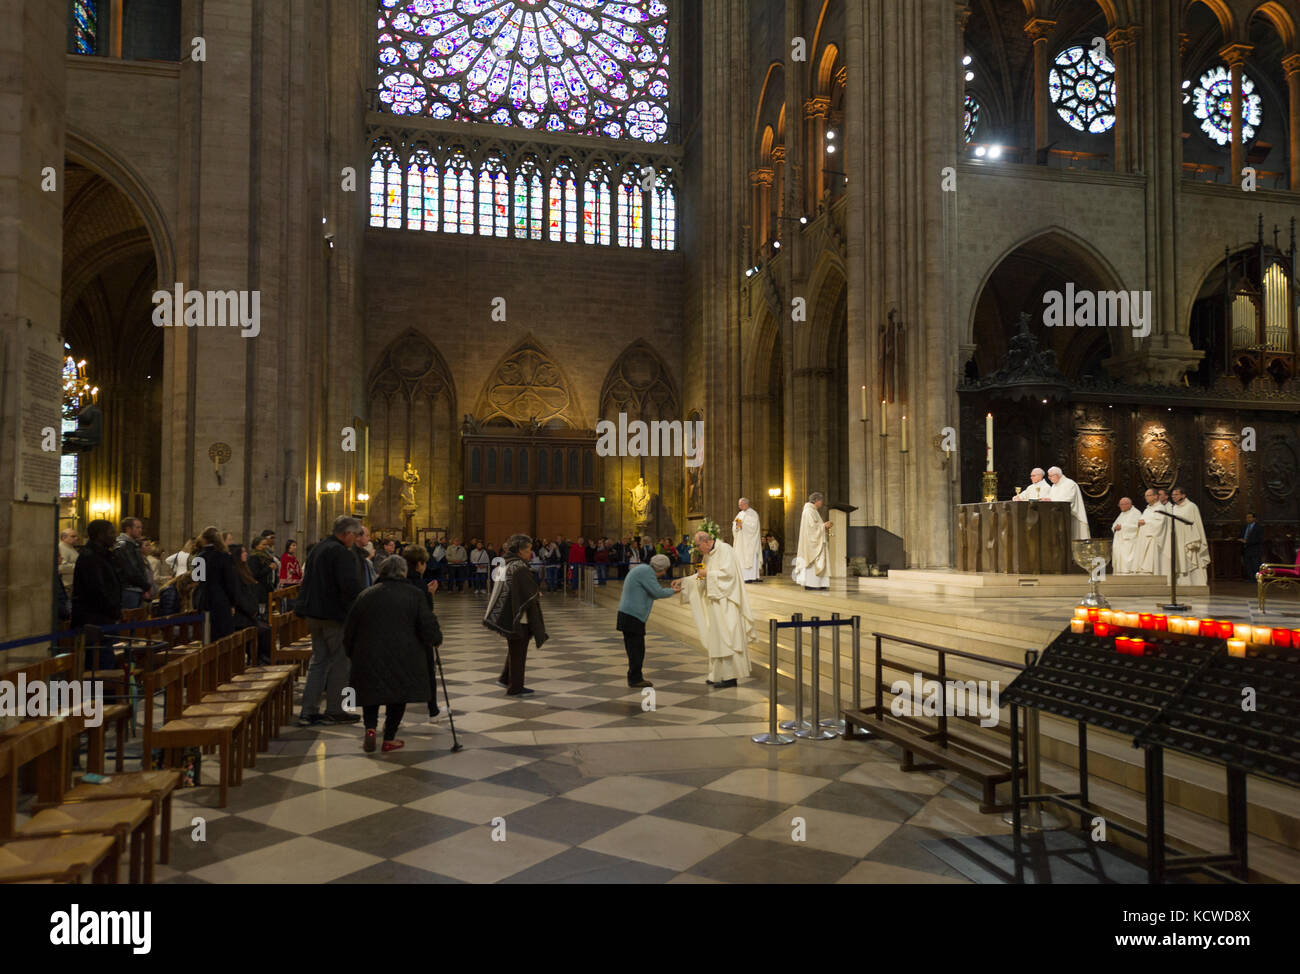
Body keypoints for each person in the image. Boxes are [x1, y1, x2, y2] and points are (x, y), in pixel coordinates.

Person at [344, 555, 443, 753]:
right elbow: (427, 623)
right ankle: (389, 738)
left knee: (371, 692)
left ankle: (370, 729)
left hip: (369, 653)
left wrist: (351, 652)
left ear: (381, 572)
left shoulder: (366, 594)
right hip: (405, 655)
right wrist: (435, 638)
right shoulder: (414, 594)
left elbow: (350, 629)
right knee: (398, 695)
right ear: (403, 572)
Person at [295, 515, 365, 726]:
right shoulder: (340, 552)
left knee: (319, 661)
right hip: (333, 616)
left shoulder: (319, 547)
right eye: (355, 535)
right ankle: (335, 710)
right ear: (347, 534)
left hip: (313, 615)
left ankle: (308, 711)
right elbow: (348, 586)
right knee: (340, 662)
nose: (355, 539)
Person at [680, 530, 754, 688]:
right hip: (716, 603)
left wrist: (707, 573)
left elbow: (729, 575)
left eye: (699, 546)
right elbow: (702, 576)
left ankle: (730, 677)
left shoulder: (725, 550)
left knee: (728, 638)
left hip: (727, 603)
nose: (698, 549)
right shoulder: (708, 555)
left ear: (707, 542)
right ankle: (716, 674)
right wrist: (684, 581)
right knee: (717, 639)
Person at [484, 534, 548, 696]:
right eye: (528, 551)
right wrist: (536, 592)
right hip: (519, 616)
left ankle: (505, 679)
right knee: (519, 651)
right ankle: (515, 688)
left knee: (514, 649)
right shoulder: (519, 567)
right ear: (520, 550)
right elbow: (528, 591)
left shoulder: (503, 562)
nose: (530, 554)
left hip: (506, 612)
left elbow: (501, 587)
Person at [616, 554, 680, 688]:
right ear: (661, 568)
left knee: (634, 648)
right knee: (636, 649)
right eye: (664, 570)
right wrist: (673, 591)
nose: (664, 573)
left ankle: (634, 676)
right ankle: (635, 679)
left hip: (627, 614)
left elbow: (651, 592)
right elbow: (657, 592)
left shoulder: (643, 569)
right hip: (632, 616)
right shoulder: (646, 572)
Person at [401, 544, 445, 725]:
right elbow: (427, 613)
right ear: (419, 564)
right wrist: (430, 594)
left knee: (400, 675)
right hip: (419, 638)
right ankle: (433, 710)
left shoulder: (400, 582)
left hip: (400, 637)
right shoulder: (420, 586)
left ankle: (396, 716)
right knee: (428, 674)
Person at [72, 519, 123, 670]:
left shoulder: (104, 555)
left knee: (108, 657)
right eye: (111, 533)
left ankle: (106, 690)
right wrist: (113, 609)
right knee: (98, 663)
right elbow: (97, 589)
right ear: (100, 535)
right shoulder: (90, 557)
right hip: (95, 619)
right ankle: (97, 693)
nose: (115, 536)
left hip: (105, 617)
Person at [193, 526, 241, 638]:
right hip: (221, 600)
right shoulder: (224, 556)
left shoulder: (199, 557)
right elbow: (230, 582)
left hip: (203, 600)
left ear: (203, 539)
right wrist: (233, 602)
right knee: (222, 636)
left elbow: (196, 581)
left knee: (206, 635)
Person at [229, 544, 272, 665]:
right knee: (263, 630)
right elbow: (239, 597)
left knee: (267, 628)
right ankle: (260, 658)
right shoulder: (235, 572)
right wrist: (251, 611)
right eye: (243, 552)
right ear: (237, 555)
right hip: (240, 616)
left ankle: (264, 657)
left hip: (248, 614)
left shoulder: (244, 570)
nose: (246, 554)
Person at [1170, 486, 1210, 586]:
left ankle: (1196, 583)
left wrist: (1193, 540)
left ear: (1183, 495)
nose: (1173, 497)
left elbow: (1195, 523)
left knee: (1191, 559)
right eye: (1172, 495)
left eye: (1176, 494)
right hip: (1178, 538)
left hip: (1189, 539)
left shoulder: (1191, 506)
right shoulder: (1174, 508)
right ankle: (1182, 582)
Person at [793, 491, 831, 590]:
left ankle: (820, 584)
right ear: (817, 501)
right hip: (812, 543)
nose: (822, 503)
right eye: (821, 500)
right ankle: (812, 584)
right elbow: (811, 528)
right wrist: (823, 526)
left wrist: (822, 526)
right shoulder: (809, 511)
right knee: (812, 563)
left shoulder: (813, 510)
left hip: (815, 540)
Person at [114, 517, 152, 609]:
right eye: (137, 527)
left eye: (141, 528)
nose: (140, 530)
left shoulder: (132, 545)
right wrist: (146, 586)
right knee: (129, 619)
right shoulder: (123, 545)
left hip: (136, 588)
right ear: (128, 529)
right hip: (128, 589)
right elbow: (131, 570)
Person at [1046, 466, 1090, 540]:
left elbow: (1068, 499)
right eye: (1049, 476)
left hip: (1070, 515)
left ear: (1057, 475)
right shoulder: (1054, 485)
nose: (1049, 478)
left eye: (1050, 476)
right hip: (1057, 515)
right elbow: (1052, 498)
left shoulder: (1069, 484)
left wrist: (1050, 500)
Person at [1135, 488, 1170, 579]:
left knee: (1151, 561)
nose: (1146, 497)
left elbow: (1159, 523)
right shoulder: (1147, 509)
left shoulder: (1160, 508)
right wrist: (1139, 523)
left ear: (1155, 496)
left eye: (1148, 495)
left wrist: (1145, 522)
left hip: (1152, 538)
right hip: (1144, 538)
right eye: (1145, 495)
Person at [732, 497, 762, 583]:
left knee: (749, 558)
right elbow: (735, 524)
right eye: (739, 505)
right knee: (740, 558)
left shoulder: (753, 514)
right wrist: (736, 526)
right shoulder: (740, 514)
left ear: (746, 504)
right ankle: (742, 577)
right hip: (741, 542)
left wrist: (743, 525)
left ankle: (750, 577)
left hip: (749, 542)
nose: (739, 506)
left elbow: (754, 527)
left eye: (740, 505)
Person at [1110, 497, 1141, 574]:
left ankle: (1128, 573)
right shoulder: (1122, 513)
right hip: (1120, 542)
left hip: (1129, 541)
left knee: (1127, 562)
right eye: (1120, 505)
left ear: (1128, 504)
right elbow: (1114, 525)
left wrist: (1122, 527)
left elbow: (1137, 526)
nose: (1120, 507)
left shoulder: (1136, 513)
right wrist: (1115, 527)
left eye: (1122, 505)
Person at [1240, 512, 1263, 579]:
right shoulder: (1244, 527)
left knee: (1255, 565)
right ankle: (1250, 578)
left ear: (1254, 518)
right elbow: (1242, 536)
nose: (1248, 519)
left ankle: (1256, 579)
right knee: (1248, 565)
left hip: (1255, 550)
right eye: (1247, 517)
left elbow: (1259, 539)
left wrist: (1247, 542)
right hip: (1245, 549)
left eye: (1250, 517)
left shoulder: (1259, 527)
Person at [58, 528, 80, 597]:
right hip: (67, 585)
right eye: (73, 536)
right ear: (64, 537)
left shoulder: (70, 547)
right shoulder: (61, 547)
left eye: (76, 536)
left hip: (72, 583)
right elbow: (61, 567)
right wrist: (81, 567)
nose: (76, 538)